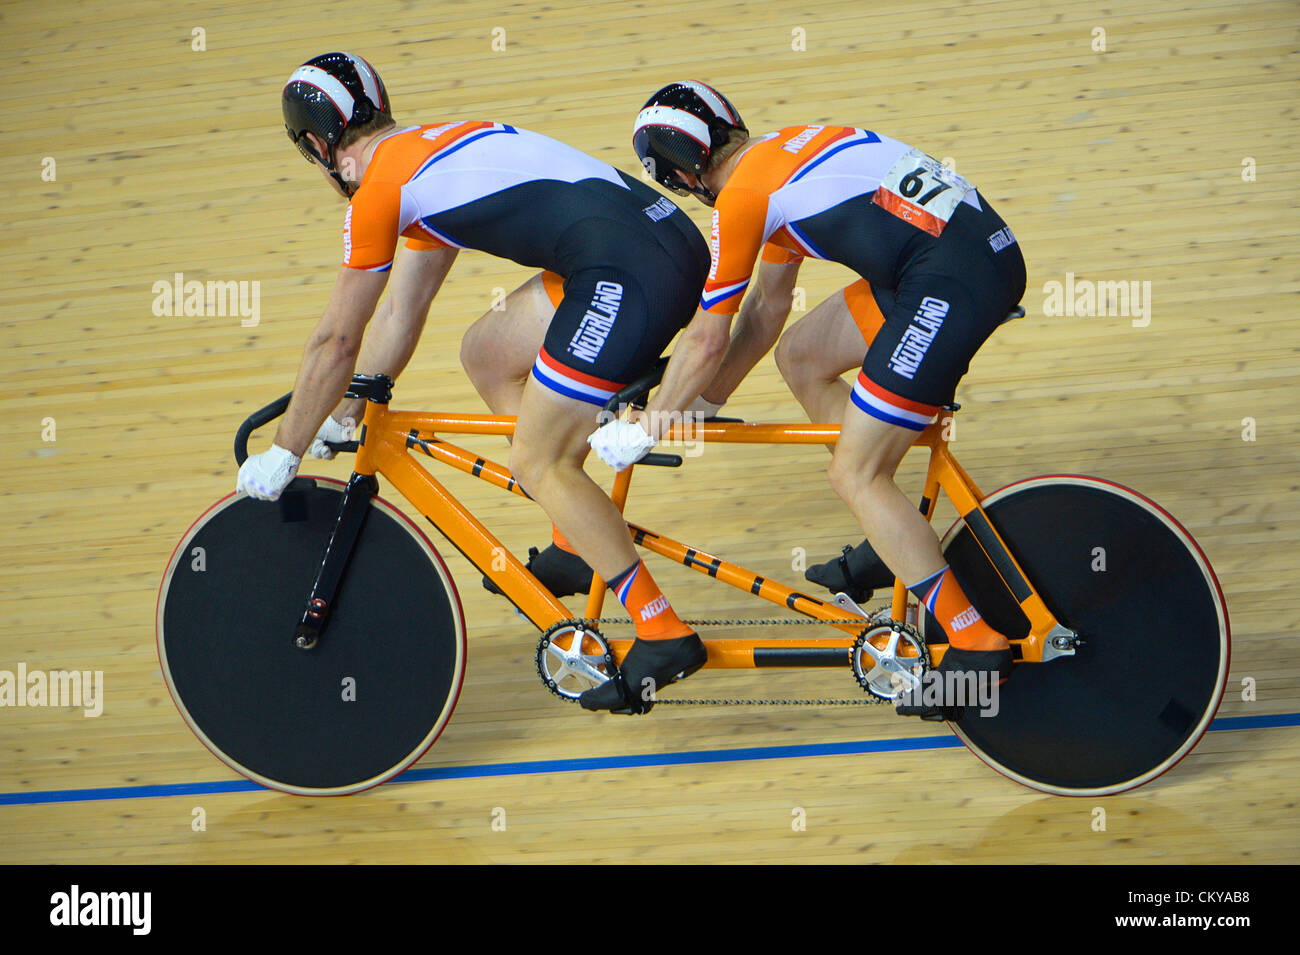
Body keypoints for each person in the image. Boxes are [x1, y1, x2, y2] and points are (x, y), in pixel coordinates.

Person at [237, 53, 713, 713]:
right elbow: (402, 310)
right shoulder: (429, 155)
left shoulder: (381, 190)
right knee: (487, 352)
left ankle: (661, 628)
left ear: (320, 146)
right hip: (653, 245)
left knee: (537, 457)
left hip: (627, 271)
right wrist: (347, 406)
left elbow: (336, 339)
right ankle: (577, 538)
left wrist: (285, 448)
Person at [587, 81, 1027, 712]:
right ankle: (892, 536)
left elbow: (710, 335)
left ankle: (976, 644)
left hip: (947, 283)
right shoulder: (787, 154)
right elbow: (765, 313)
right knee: (803, 355)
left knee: (856, 473)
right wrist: (699, 406)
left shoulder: (742, 197)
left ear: (683, 174)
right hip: (962, 263)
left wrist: (649, 428)